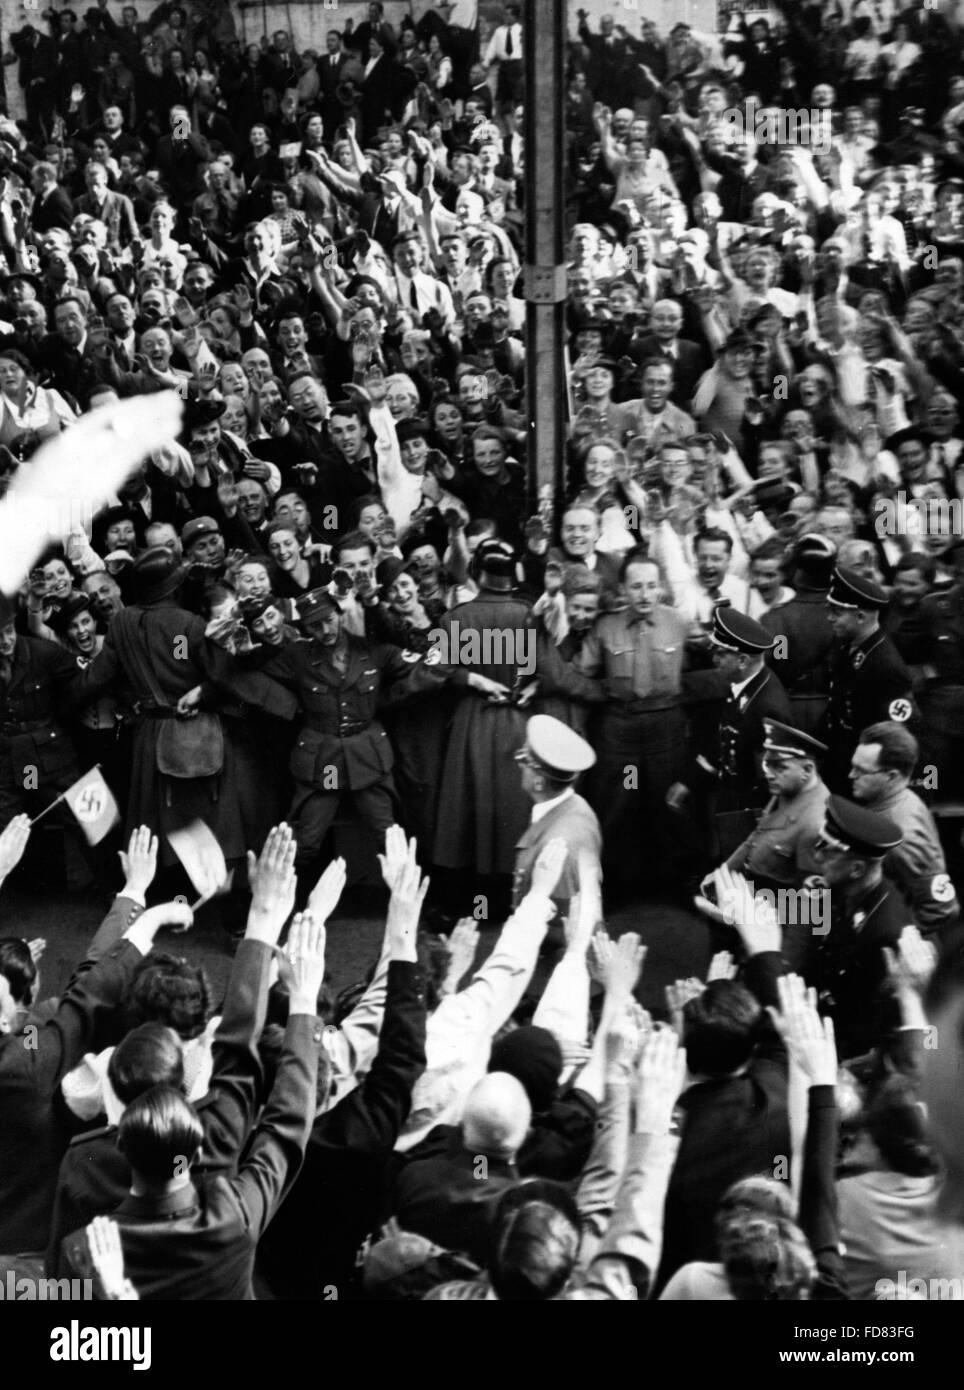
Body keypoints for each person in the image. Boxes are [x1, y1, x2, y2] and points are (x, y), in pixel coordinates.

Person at [848, 722, 959, 936]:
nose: (851, 775)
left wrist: (890, 936)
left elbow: (942, 909)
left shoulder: (902, 836)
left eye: (861, 771)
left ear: (891, 776)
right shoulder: (892, 799)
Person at [821, 567, 917, 793]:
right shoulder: (848, 645)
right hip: (841, 762)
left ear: (861, 616)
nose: (830, 618)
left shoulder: (886, 666)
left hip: (864, 776)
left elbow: (896, 738)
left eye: (836, 613)